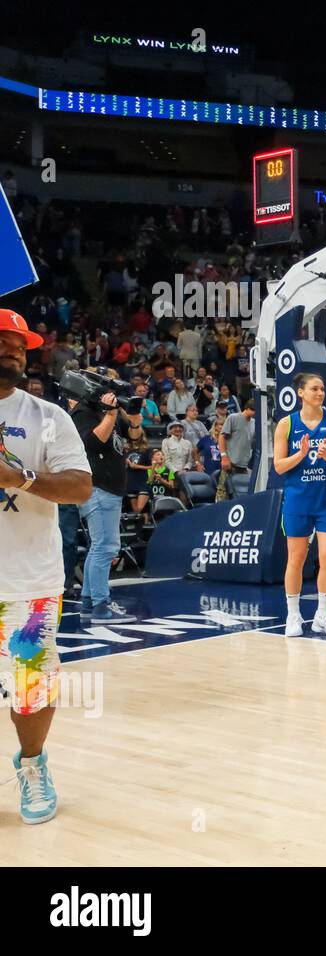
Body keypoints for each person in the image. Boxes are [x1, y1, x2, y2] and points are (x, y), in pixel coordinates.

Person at [0, 308, 94, 824]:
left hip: (29, 581)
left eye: (20, 346)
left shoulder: (48, 416)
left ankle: (33, 766)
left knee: (31, 686)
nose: (13, 352)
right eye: (3, 342)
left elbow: (80, 486)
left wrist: (20, 478)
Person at [273, 374, 326, 638]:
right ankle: (293, 615)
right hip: (298, 500)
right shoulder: (286, 424)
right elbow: (279, 466)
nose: (320, 393)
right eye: (314, 388)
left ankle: (322, 616)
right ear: (300, 392)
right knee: (296, 559)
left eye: (322, 389)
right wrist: (301, 454)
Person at [71, 369, 145, 625]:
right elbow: (92, 444)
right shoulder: (83, 411)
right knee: (106, 547)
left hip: (110, 489)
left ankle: (89, 602)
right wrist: (112, 414)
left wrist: (134, 420)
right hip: (97, 487)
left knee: (98, 547)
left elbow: (134, 438)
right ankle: (101, 606)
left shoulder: (107, 412)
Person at [219, 399, 256, 475]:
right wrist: (224, 456)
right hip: (230, 464)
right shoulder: (233, 418)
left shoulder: (253, 422)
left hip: (244, 465)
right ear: (248, 408)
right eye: (254, 411)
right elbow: (222, 436)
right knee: (225, 482)